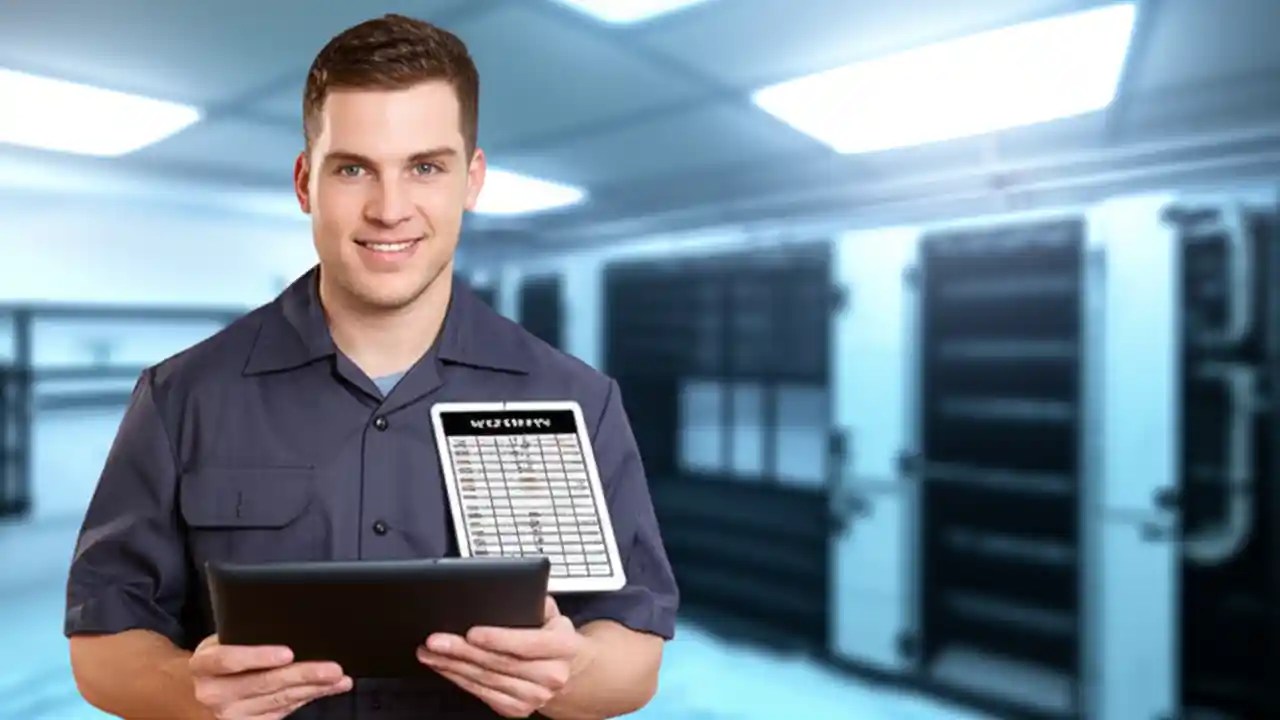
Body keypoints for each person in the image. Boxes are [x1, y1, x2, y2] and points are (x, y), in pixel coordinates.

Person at [64, 13, 679, 720]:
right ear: (305, 182)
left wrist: (568, 673)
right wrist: (189, 690)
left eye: (425, 167)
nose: (391, 209)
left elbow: (635, 654)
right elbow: (102, 642)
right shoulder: (182, 397)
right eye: (353, 168)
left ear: (471, 180)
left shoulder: (577, 398)